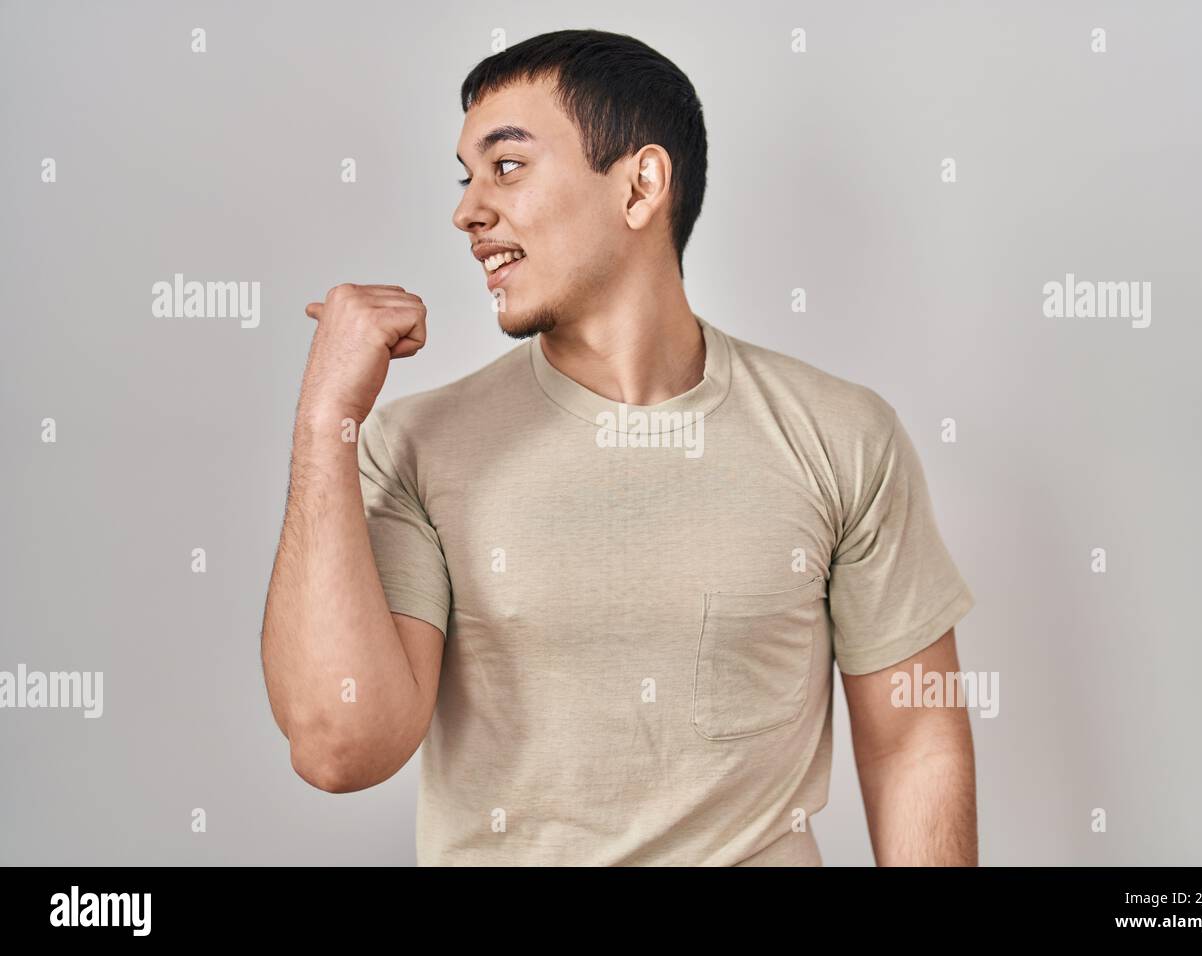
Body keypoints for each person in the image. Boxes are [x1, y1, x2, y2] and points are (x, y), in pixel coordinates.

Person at [260, 28, 977, 866]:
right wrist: (323, 421)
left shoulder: (841, 436)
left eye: (508, 165)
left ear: (640, 186)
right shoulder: (417, 446)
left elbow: (916, 741)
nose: (467, 211)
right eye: (467, 177)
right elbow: (340, 747)